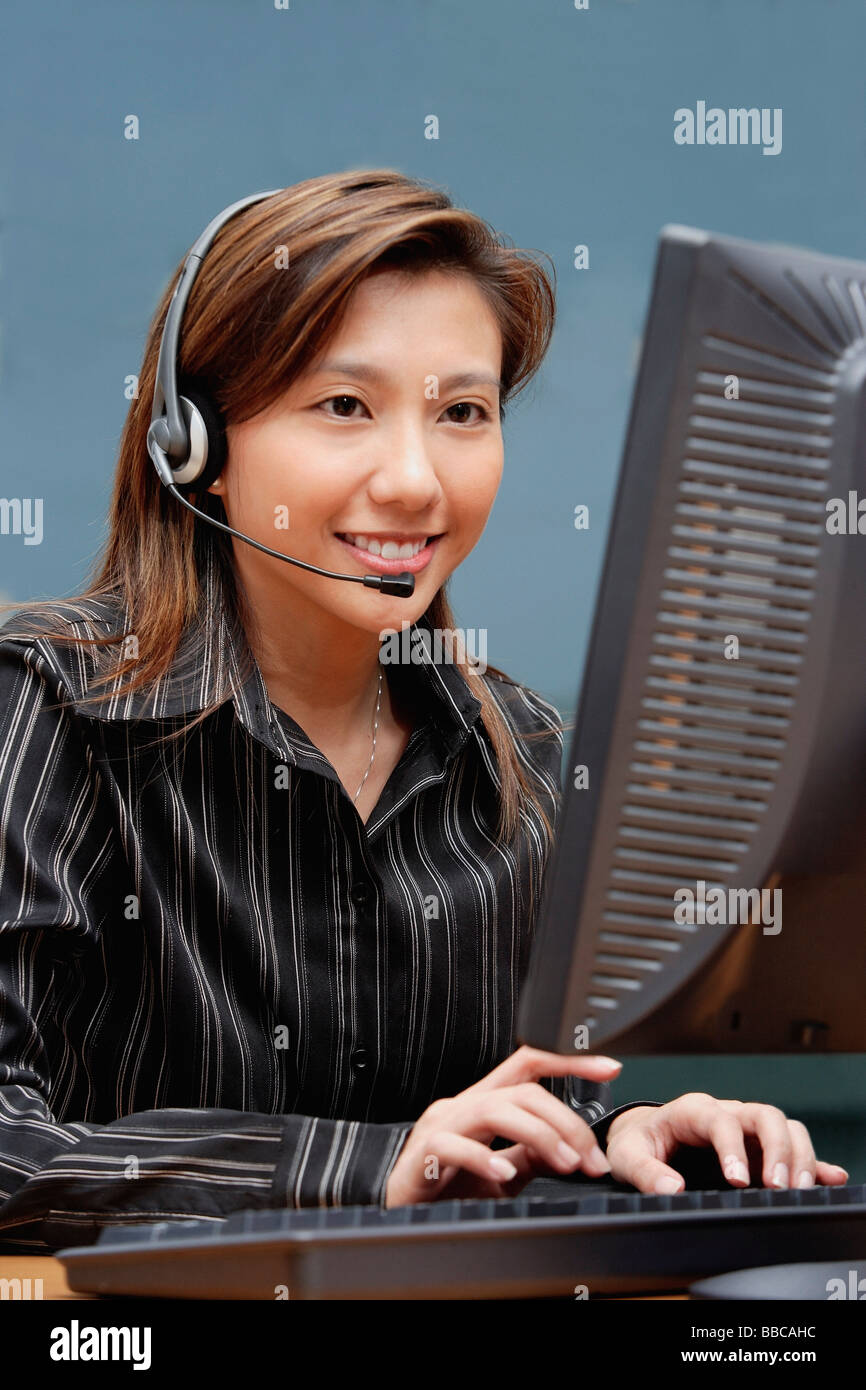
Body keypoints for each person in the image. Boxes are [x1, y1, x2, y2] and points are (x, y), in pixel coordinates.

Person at [0, 170, 847, 1254]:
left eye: (461, 412)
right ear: (197, 448)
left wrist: (628, 1145)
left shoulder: (524, 755)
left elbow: (479, 1133)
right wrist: (368, 1163)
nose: (413, 480)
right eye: (343, 406)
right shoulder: (47, 710)